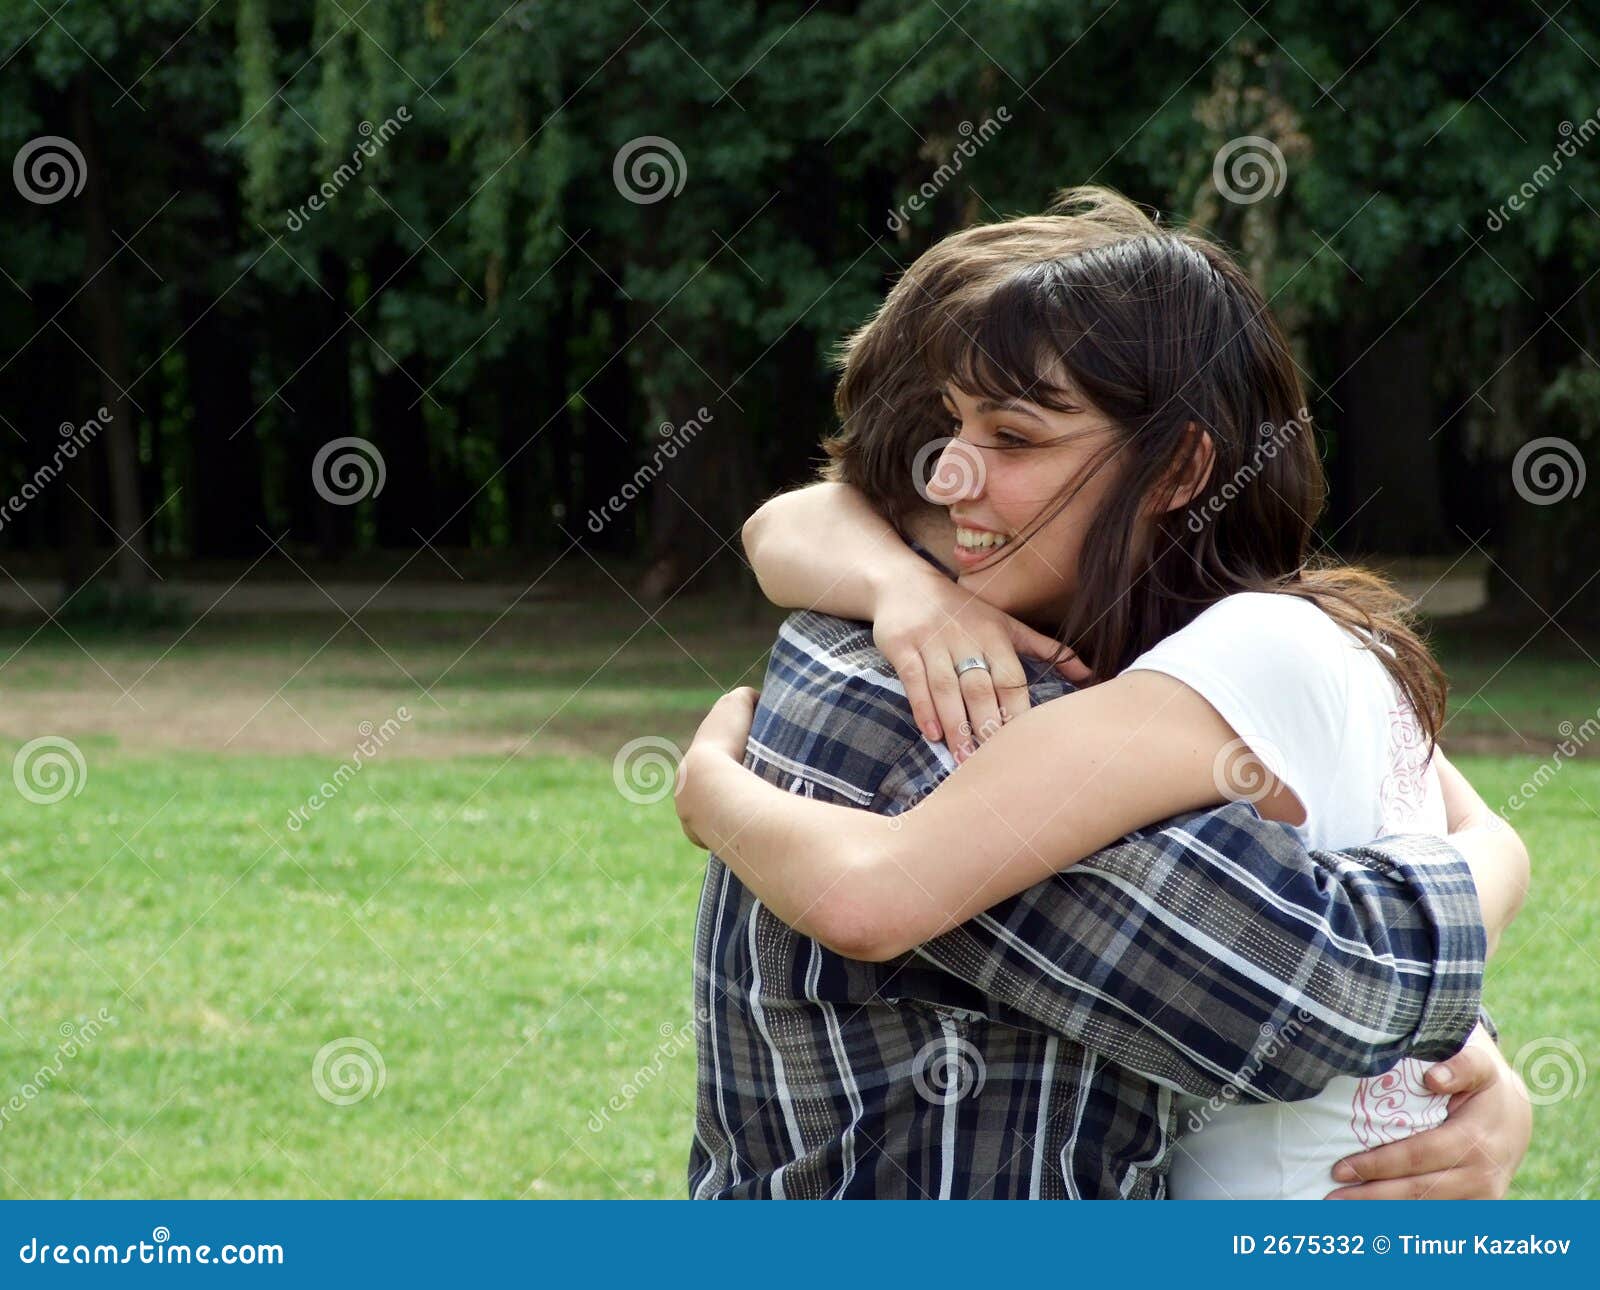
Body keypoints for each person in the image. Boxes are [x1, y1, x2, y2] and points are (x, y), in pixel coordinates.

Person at [677, 191, 1532, 1199]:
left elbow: (1383, 897)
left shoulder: (1224, 659)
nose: (949, 477)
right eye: (949, 427)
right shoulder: (971, 694)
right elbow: (1346, 979)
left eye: (1015, 437)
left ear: (1179, 469)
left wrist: (709, 788)